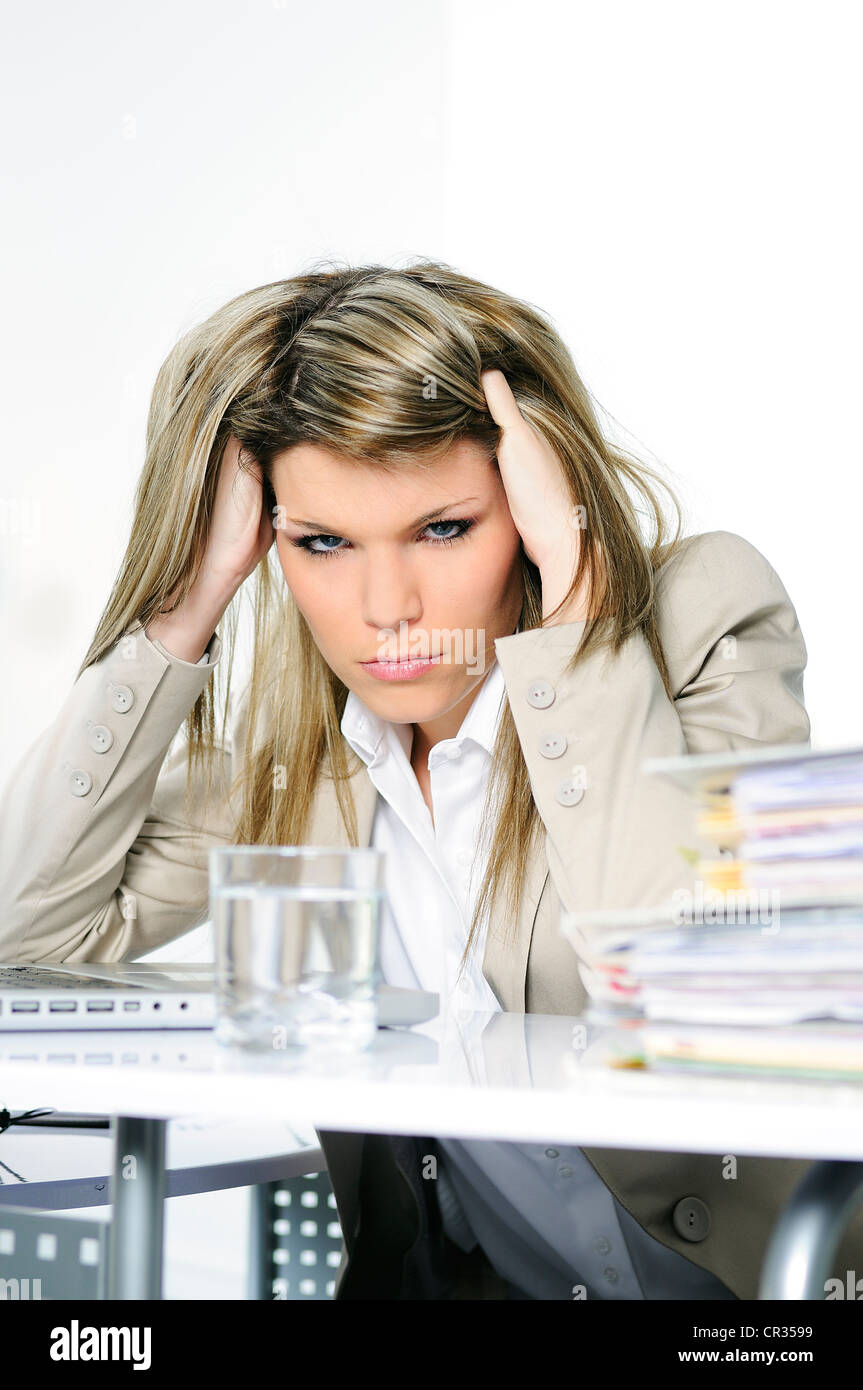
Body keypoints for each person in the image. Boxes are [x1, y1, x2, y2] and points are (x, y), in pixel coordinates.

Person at [1, 259, 843, 1301]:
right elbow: (24, 936)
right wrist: (185, 606)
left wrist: (576, 594)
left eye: (443, 528)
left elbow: (698, 993)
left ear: (533, 502)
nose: (386, 605)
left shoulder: (693, 620)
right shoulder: (294, 768)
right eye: (322, 542)